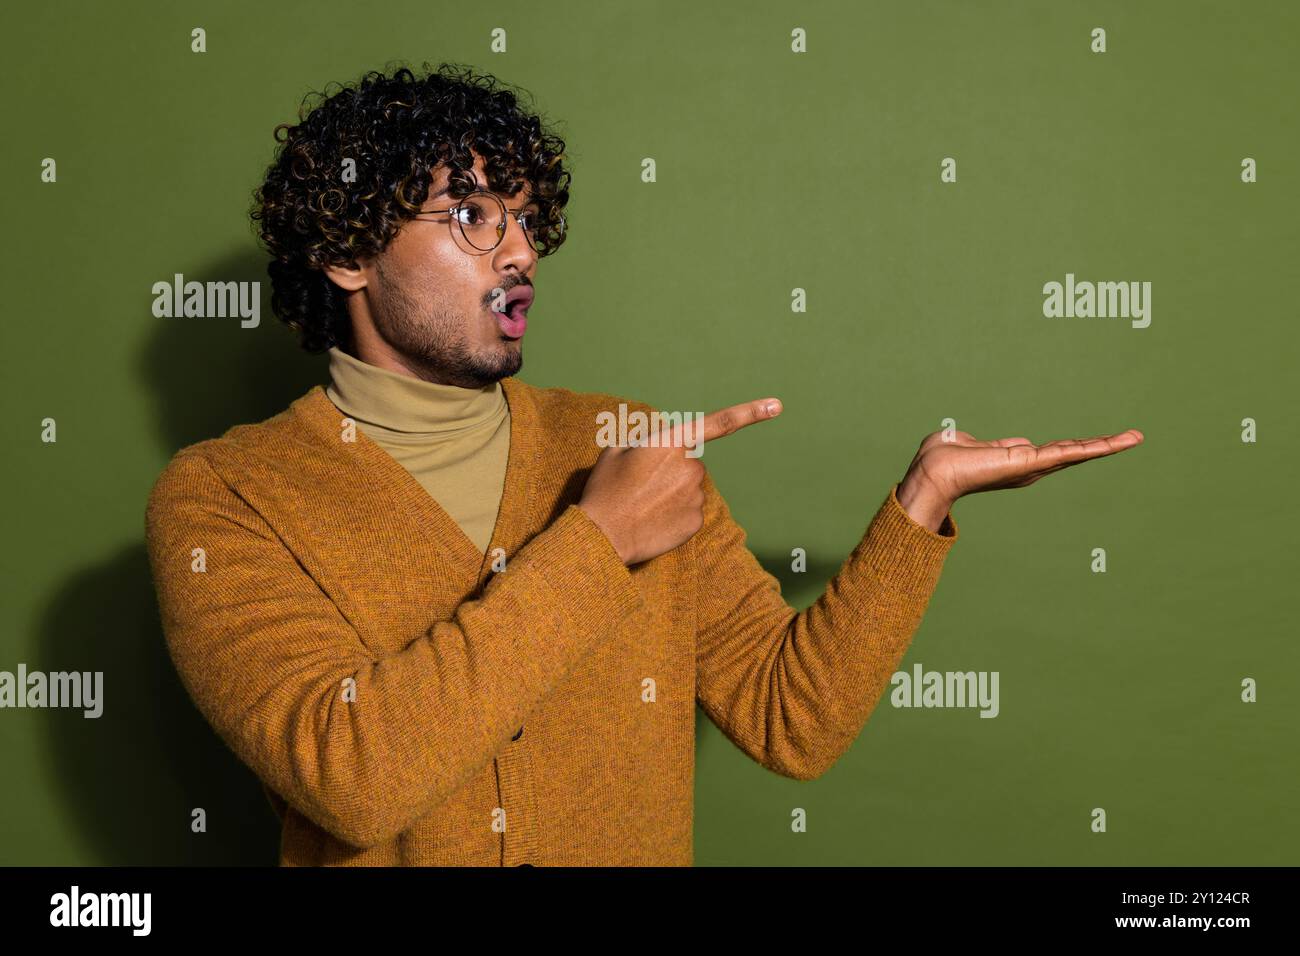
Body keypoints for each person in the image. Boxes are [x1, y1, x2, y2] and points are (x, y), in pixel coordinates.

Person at [144, 63, 1143, 866]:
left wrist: (921, 501)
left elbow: (791, 718)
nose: (519, 252)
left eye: (526, 218)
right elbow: (354, 780)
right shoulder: (225, 498)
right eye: (473, 215)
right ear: (349, 253)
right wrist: (600, 539)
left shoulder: (621, 442)